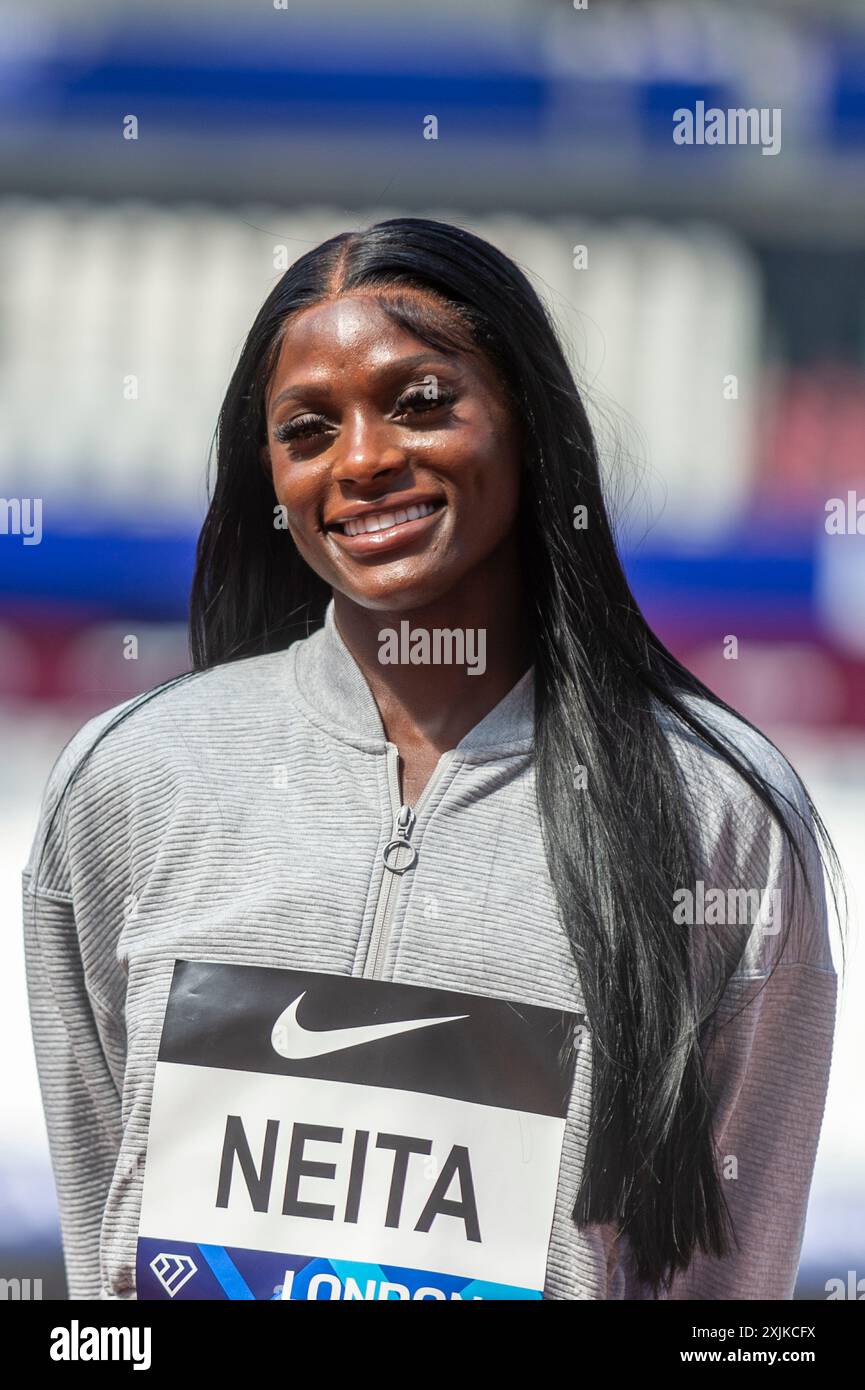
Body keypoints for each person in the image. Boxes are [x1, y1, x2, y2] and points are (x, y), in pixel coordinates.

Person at [23, 217, 841, 1302]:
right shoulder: (132, 779)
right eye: (308, 429)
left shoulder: (718, 809)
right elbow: (100, 1254)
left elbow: (731, 1287)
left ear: (527, 422)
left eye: (419, 402)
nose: (362, 460)